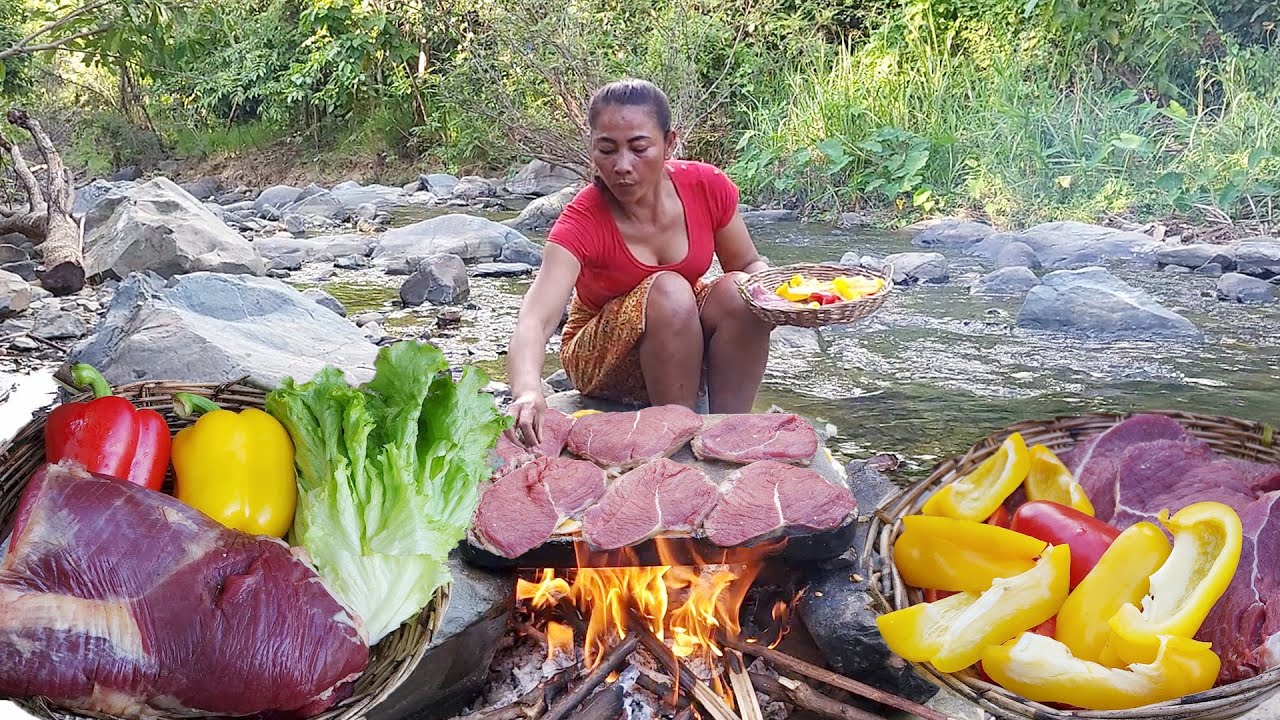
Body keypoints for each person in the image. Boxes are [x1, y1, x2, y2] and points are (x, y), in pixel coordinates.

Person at [504, 78, 774, 447]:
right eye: (607, 150)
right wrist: (526, 390)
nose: (622, 166)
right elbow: (534, 318)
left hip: (681, 336)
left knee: (743, 291)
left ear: (669, 143)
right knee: (669, 288)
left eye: (639, 148)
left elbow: (748, 263)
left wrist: (787, 294)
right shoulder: (582, 219)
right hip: (600, 355)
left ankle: (730, 432)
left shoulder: (707, 186)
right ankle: (680, 438)